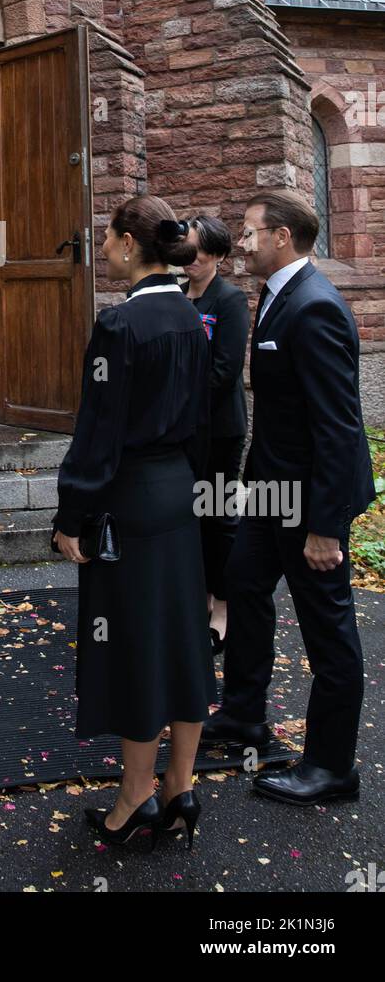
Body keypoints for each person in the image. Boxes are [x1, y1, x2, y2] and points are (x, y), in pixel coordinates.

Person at [52, 195, 216, 850]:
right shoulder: (193, 316)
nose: (105, 248)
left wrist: (71, 516)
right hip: (178, 495)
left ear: (126, 242)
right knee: (182, 637)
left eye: (108, 238)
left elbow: (98, 435)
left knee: (139, 646)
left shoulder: (121, 327)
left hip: (132, 499)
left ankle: (134, 799)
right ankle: (182, 784)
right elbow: (207, 420)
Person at [201, 189, 376, 805]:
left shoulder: (315, 307)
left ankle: (331, 768)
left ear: (281, 236)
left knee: (327, 629)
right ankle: (244, 714)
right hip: (270, 492)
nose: (241, 243)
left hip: (310, 504)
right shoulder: (276, 298)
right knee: (244, 586)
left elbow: (338, 425)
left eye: (249, 233)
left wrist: (326, 525)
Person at [182, 215, 250, 654]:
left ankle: (223, 607)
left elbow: (224, 373)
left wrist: (176, 401)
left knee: (219, 519)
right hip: (181, 433)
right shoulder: (174, 297)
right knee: (189, 519)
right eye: (186, 249)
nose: (191, 258)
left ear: (220, 256)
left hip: (219, 431)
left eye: (200, 251)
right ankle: (200, 599)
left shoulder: (229, 301)